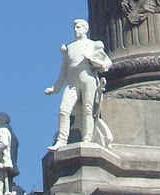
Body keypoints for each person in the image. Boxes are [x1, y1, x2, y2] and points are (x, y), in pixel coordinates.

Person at [46, 19, 111, 147]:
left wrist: (96, 62)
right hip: (72, 82)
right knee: (63, 110)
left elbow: (107, 63)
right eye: (75, 28)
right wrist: (55, 88)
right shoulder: (69, 48)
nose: (76, 30)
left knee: (88, 109)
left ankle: (88, 139)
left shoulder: (94, 44)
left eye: (79, 27)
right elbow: (63, 71)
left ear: (85, 29)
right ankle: (62, 140)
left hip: (88, 78)